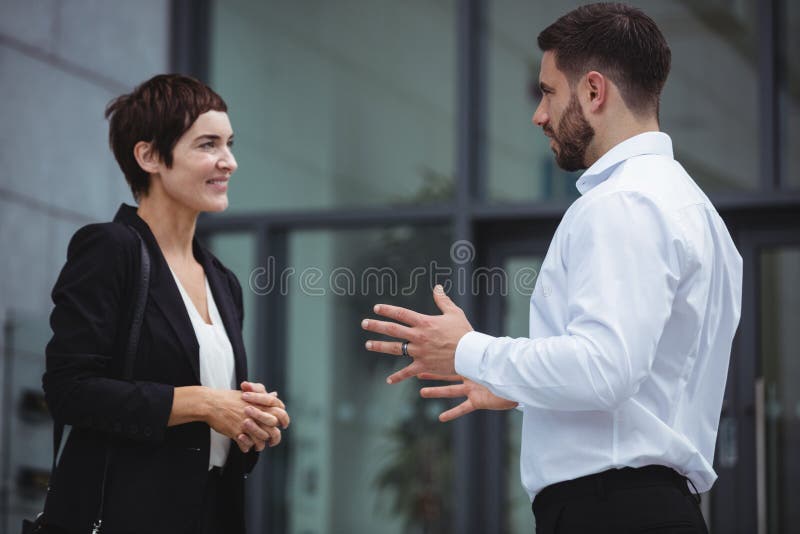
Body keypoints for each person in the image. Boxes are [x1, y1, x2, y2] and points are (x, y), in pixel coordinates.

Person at [361, 3, 742, 533]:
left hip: (609, 513)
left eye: (547, 91)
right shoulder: (695, 211)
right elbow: (644, 383)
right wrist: (519, 388)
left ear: (593, 91)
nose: (538, 115)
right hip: (644, 507)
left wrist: (470, 350)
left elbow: (607, 368)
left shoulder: (622, 203)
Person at [41, 74, 289, 534]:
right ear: (150, 155)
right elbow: (68, 390)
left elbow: (207, 437)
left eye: (229, 144)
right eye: (208, 145)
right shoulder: (111, 249)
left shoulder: (223, 282)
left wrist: (250, 424)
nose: (228, 161)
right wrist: (202, 403)